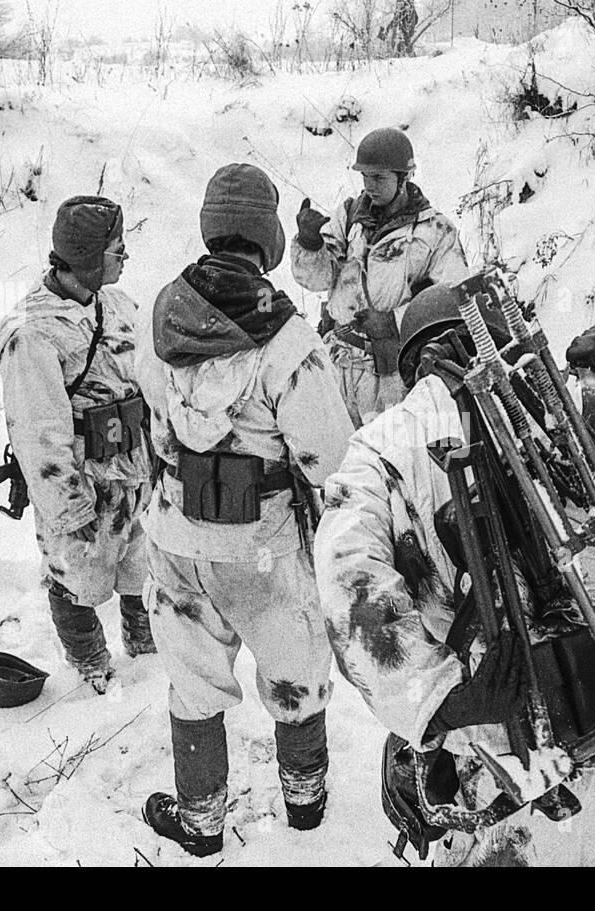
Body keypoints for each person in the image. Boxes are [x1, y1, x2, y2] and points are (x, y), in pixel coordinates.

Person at [314, 283, 595, 866]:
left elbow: (346, 581)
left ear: (410, 363)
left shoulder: (379, 451)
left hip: (523, 778)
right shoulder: (567, 406)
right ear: (498, 334)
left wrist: (437, 698)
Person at [136, 164, 354, 858]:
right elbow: (327, 456)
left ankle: (200, 820)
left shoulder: (160, 315)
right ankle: (306, 802)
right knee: (294, 669)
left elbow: (150, 406)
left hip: (175, 535)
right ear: (268, 238)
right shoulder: (288, 338)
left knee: (194, 681)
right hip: (262, 542)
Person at [0, 196, 155, 695]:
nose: (124, 255)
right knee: (77, 575)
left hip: (134, 471)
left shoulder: (121, 306)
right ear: (87, 259)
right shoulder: (32, 333)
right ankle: (90, 667)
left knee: (140, 565)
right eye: (115, 248)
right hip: (82, 480)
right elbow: (38, 432)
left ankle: (145, 650)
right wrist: (66, 507)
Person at [291, 127, 467, 428]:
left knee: (386, 458)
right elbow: (318, 280)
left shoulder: (436, 231)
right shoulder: (349, 217)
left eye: (379, 178)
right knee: (335, 458)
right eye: (365, 177)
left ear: (404, 177)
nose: (369, 187)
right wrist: (310, 244)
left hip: (392, 373)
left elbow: (452, 301)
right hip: (337, 361)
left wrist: (394, 321)